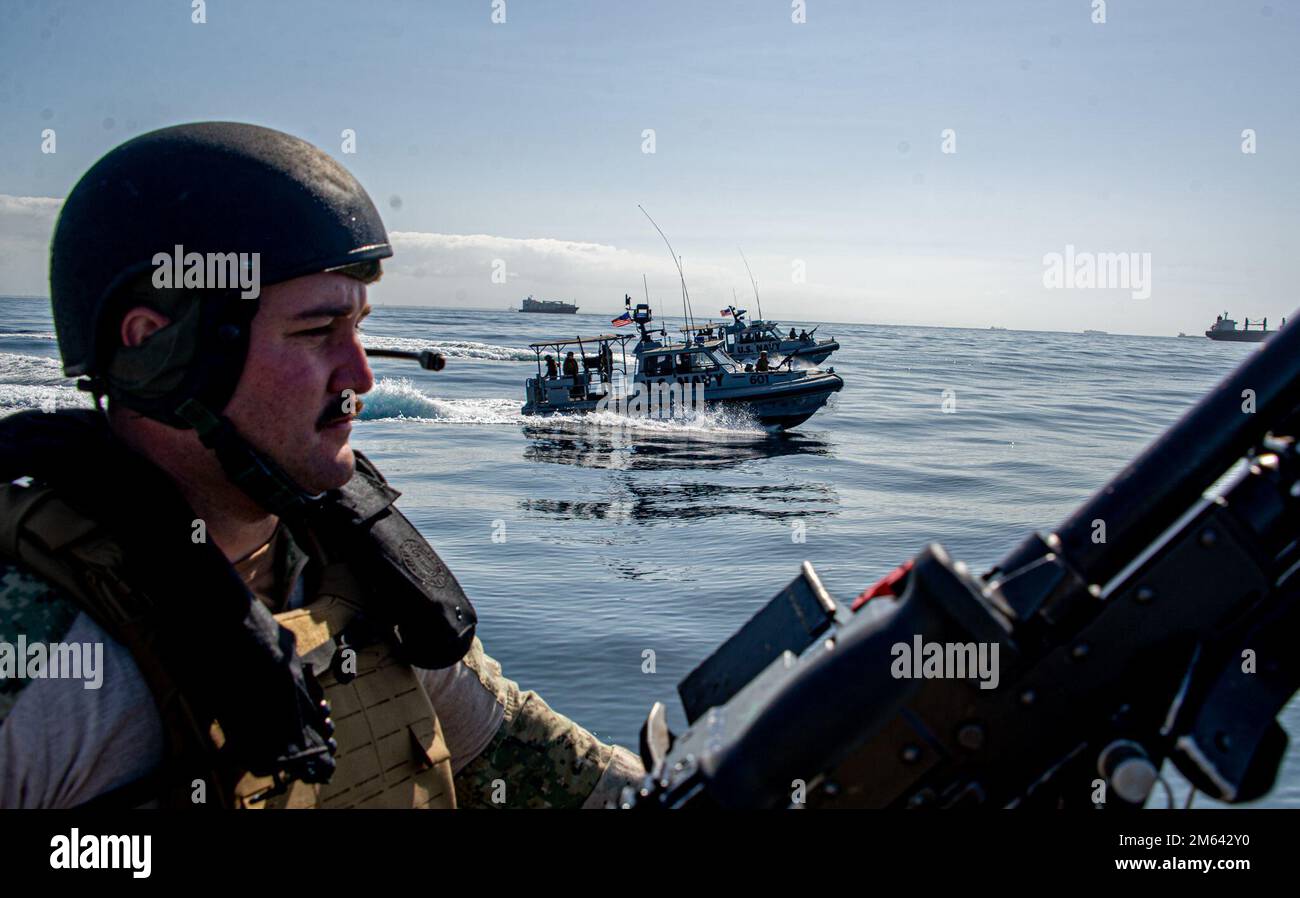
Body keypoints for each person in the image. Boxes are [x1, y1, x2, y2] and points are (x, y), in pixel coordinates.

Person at [0, 123, 642, 809]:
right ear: (158, 352)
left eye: (359, 329)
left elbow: (528, 757)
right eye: (314, 332)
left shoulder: (352, 569)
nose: (360, 376)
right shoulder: (43, 662)